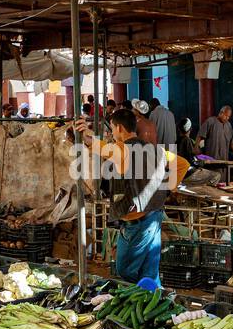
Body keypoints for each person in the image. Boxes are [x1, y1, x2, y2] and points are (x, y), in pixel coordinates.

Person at [75, 108, 186, 284]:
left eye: (112, 128)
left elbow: (103, 149)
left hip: (137, 220)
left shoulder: (123, 149)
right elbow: (183, 164)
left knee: (124, 269)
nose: (112, 132)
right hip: (154, 215)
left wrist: (87, 135)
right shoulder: (155, 150)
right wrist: (167, 189)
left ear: (119, 128)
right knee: (149, 271)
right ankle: (152, 298)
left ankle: (143, 290)